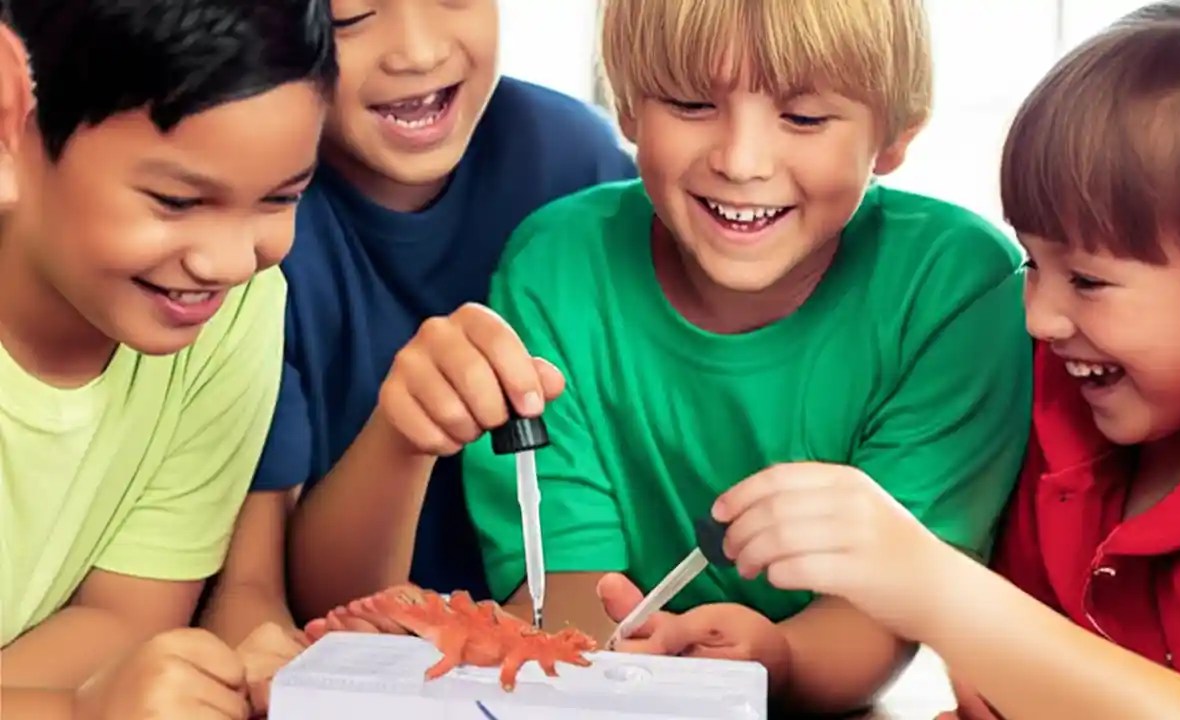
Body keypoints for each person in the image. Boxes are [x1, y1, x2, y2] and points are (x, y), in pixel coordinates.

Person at [301, 0, 1030, 713]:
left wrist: (778, 663)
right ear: (627, 109)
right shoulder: (556, 267)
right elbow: (566, 585)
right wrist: (614, 658)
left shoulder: (955, 289)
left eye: (804, 118)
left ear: (897, 134)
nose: (741, 162)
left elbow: (888, 612)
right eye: (689, 104)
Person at [705, 2, 1180, 719]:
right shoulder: (1059, 406)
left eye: (1090, 281)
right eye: (1034, 263)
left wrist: (936, 586)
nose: (1037, 316)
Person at [227, 0, 637, 628]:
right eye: (351, 16)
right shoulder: (256, 234)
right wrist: (401, 437)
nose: (417, 52)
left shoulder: (581, 171)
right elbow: (301, 602)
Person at [0, 0, 336, 717]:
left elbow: (125, 617)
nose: (227, 259)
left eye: (281, 197)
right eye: (177, 201)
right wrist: (73, 712)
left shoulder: (237, 309)